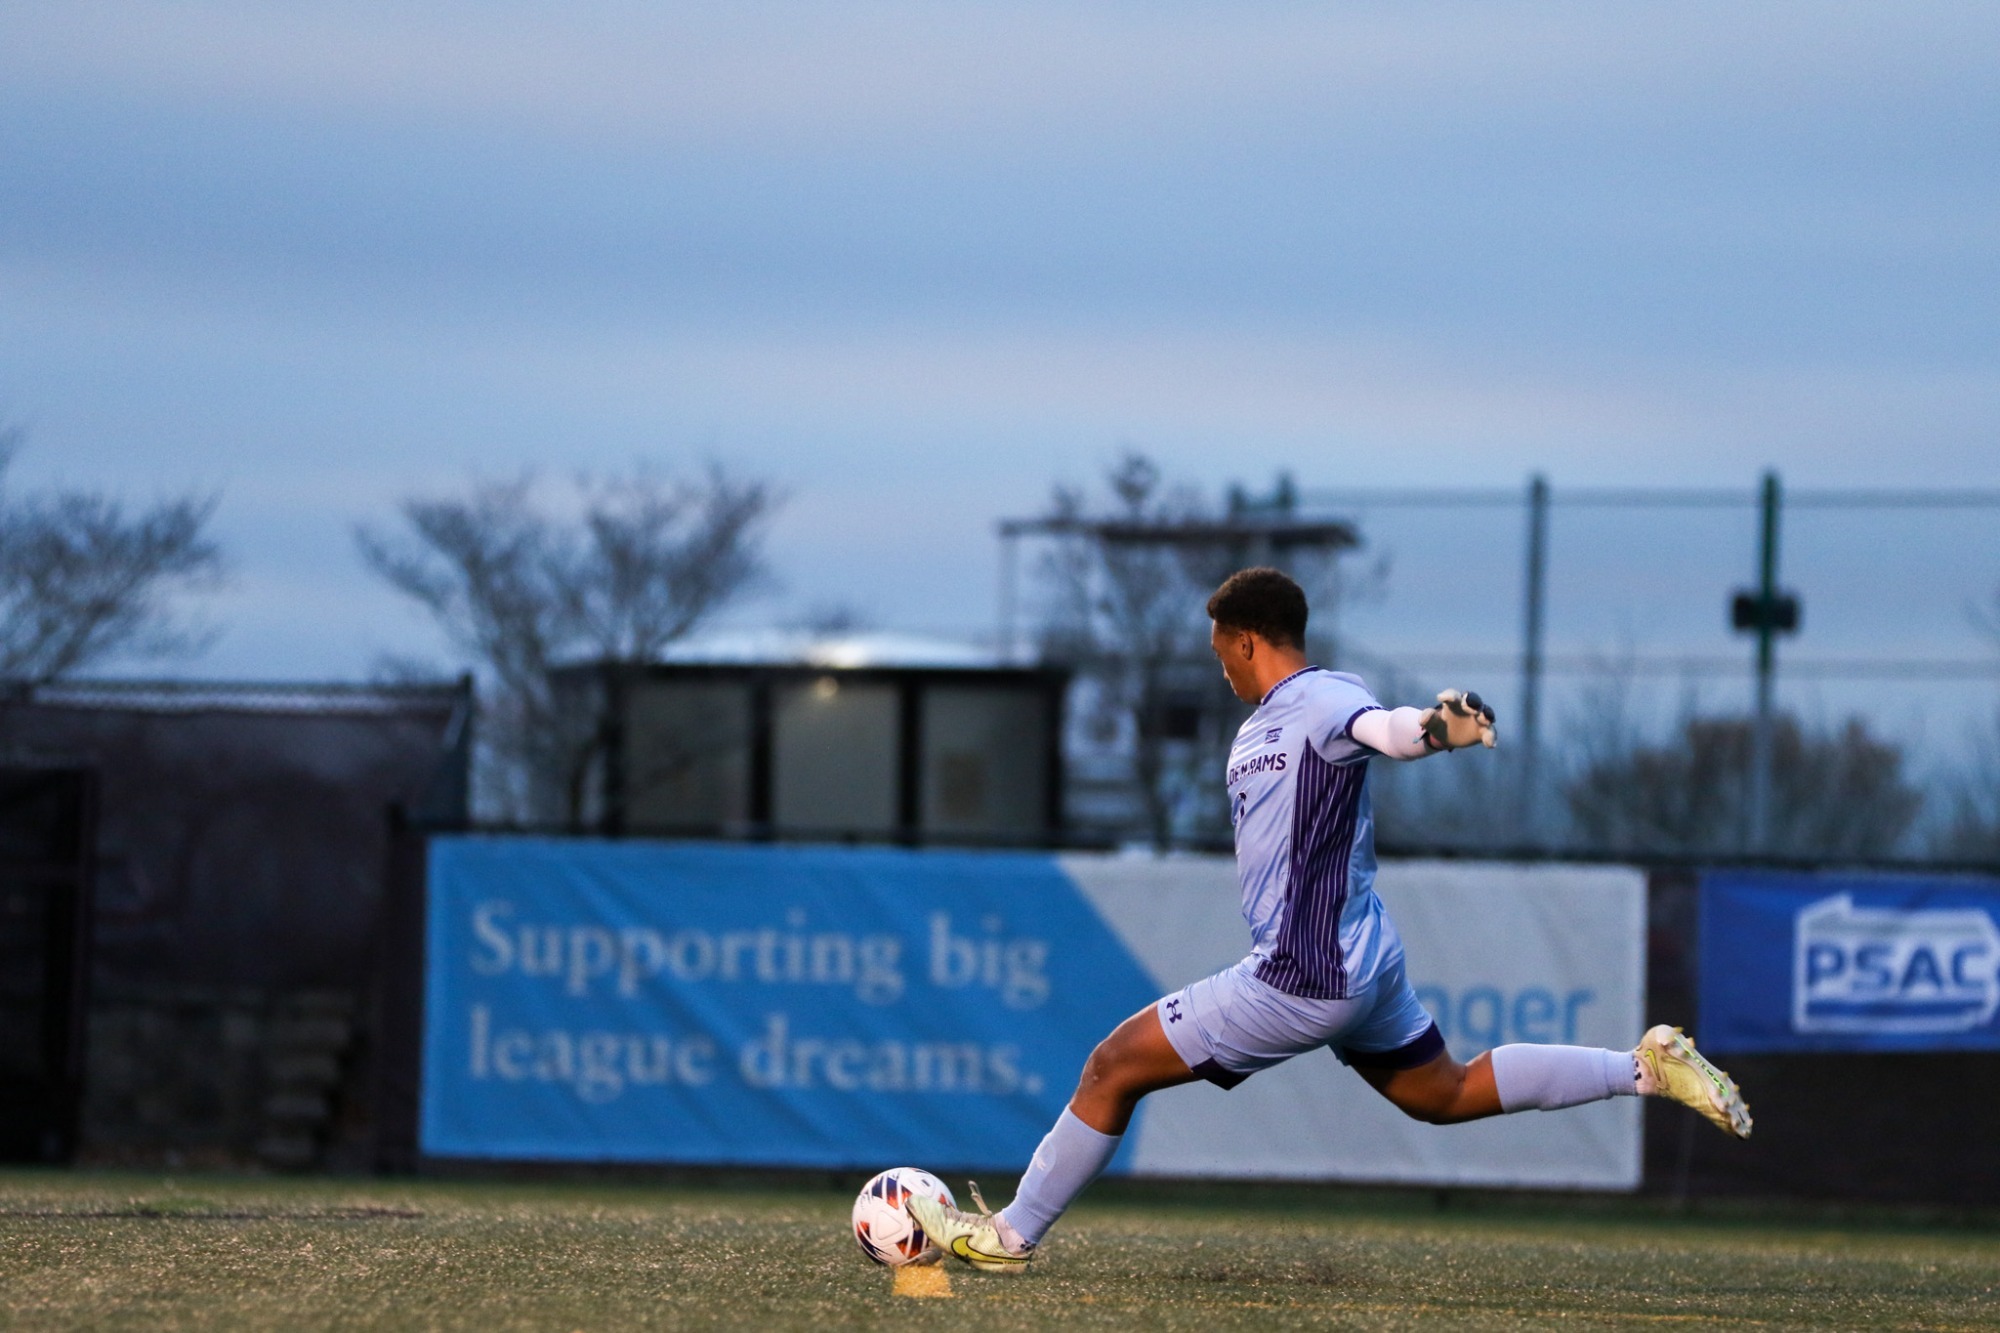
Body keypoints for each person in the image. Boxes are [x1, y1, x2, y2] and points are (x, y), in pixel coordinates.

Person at [911, 566, 1751, 1273]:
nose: (1221, 671)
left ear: (1246, 640)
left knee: (1111, 1065)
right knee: (1442, 1090)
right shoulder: (1263, 725)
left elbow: (1381, 730)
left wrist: (1436, 727)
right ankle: (1640, 1069)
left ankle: (1011, 1233)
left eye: (1221, 654)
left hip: (1303, 974)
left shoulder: (1323, 699)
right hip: (1361, 957)